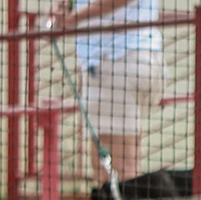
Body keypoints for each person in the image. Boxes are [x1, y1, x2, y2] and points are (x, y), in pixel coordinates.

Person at [48, 0, 166, 185]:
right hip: (135, 58)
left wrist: (75, 17)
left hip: (116, 61)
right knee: (121, 159)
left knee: (118, 168)